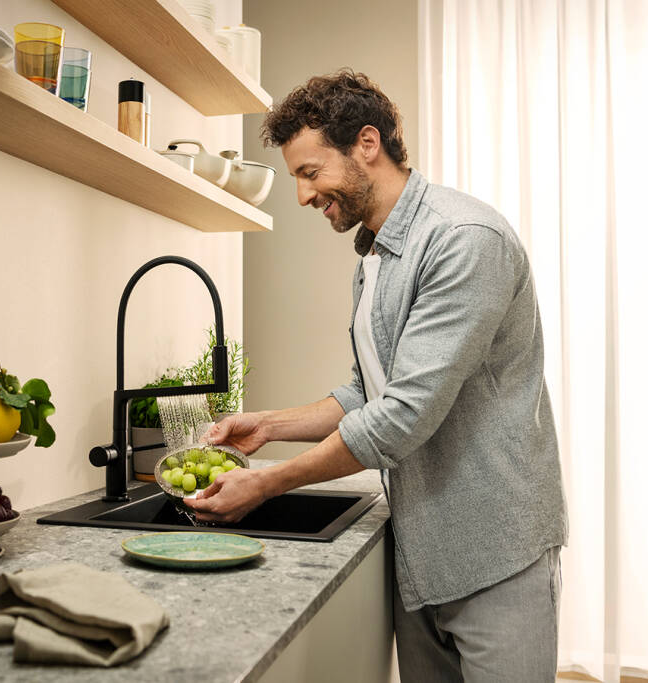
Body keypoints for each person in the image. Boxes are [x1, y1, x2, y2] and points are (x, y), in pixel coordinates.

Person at [185, 69, 568, 682]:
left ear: (367, 143)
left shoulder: (462, 239)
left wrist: (266, 484)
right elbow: (371, 392)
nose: (303, 196)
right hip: (421, 549)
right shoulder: (376, 256)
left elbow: (401, 417)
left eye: (311, 172)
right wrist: (269, 425)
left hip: (496, 548)